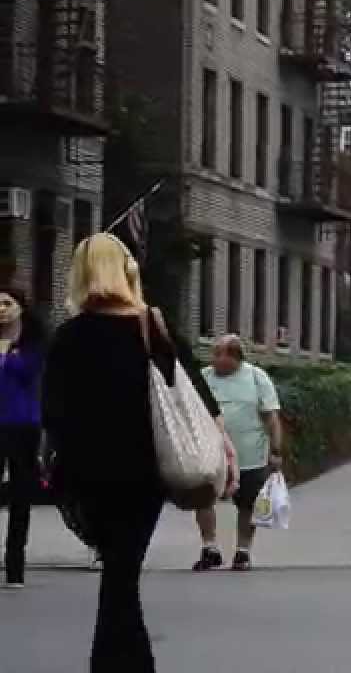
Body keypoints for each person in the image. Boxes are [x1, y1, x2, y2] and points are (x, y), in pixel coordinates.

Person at [41, 233, 226, 672]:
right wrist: (223, 440)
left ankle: (119, 664)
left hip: (88, 475)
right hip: (145, 473)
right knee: (122, 575)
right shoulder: (149, 325)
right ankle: (127, 664)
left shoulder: (70, 336)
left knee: (118, 574)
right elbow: (190, 392)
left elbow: (53, 410)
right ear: (126, 270)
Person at [194, 334, 282, 572]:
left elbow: (271, 417)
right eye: (213, 354)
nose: (214, 360)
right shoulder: (203, 377)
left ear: (235, 358)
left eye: (219, 355)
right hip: (210, 454)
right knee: (203, 499)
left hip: (250, 456)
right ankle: (209, 547)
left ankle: (243, 551)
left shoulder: (255, 377)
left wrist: (276, 450)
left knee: (247, 504)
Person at [0, 288, 45, 589]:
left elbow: (29, 373)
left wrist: (7, 353)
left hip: (23, 424)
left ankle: (15, 563)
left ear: (21, 308)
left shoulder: (33, 343)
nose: (1, 309)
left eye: (7, 303)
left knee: (20, 495)